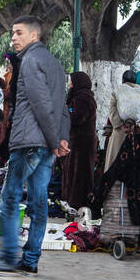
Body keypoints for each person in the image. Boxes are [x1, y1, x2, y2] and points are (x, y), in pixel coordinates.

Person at [0, 15, 69, 274]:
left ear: (34, 35)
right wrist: (61, 139)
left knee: (9, 198)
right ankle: (30, 260)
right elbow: (62, 108)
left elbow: (42, 105)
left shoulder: (29, 60)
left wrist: (55, 142)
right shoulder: (54, 63)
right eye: (13, 33)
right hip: (44, 146)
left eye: (18, 33)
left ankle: (8, 256)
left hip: (29, 142)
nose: (13, 38)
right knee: (39, 203)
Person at [60, 71, 97, 210]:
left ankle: (77, 204)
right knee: (75, 174)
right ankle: (73, 203)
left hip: (82, 145)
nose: (70, 85)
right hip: (78, 143)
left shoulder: (83, 99)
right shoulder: (81, 97)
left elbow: (75, 117)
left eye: (72, 82)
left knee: (79, 176)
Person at [104, 70, 140, 170]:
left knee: (115, 165)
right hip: (137, 131)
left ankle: (115, 185)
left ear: (123, 80)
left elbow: (112, 111)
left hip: (120, 132)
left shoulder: (118, 91)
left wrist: (120, 125)